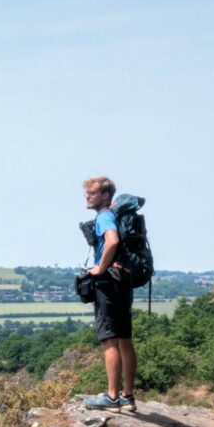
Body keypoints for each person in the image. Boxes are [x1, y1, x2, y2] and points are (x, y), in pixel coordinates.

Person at [80, 175, 137, 411]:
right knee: (124, 339)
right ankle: (127, 396)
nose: (87, 197)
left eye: (92, 193)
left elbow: (111, 241)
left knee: (109, 339)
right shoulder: (113, 215)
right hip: (123, 278)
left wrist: (100, 269)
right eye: (87, 193)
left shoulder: (104, 216)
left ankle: (112, 398)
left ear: (105, 196)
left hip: (109, 281)